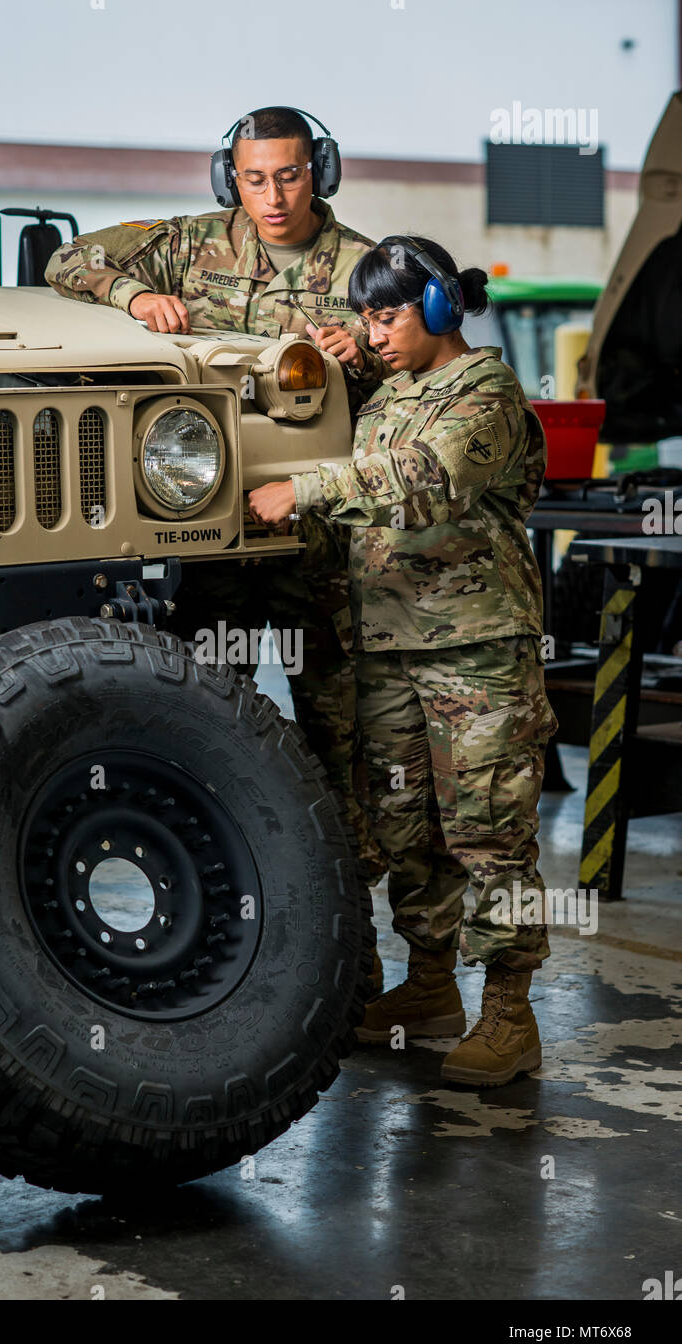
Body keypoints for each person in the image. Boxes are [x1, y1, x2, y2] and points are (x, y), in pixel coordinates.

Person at [45, 107, 390, 958]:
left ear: (323, 171)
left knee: (341, 737)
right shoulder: (186, 242)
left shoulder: (360, 265)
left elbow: (417, 361)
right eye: (252, 177)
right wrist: (134, 293)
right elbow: (67, 259)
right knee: (209, 733)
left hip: (317, 536)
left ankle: (348, 947)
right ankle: (229, 934)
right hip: (212, 536)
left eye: (289, 175)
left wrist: (366, 349)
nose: (271, 196)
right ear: (226, 177)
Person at [248, 235, 558, 1088]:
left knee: (489, 832)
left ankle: (509, 1012)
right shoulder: (388, 400)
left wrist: (305, 489)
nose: (374, 334)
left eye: (386, 316)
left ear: (434, 309)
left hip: (474, 655)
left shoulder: (484, 394)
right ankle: (430, 989)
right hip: (385, 651)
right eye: (364, 318)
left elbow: (426, 478)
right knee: (405, 830)